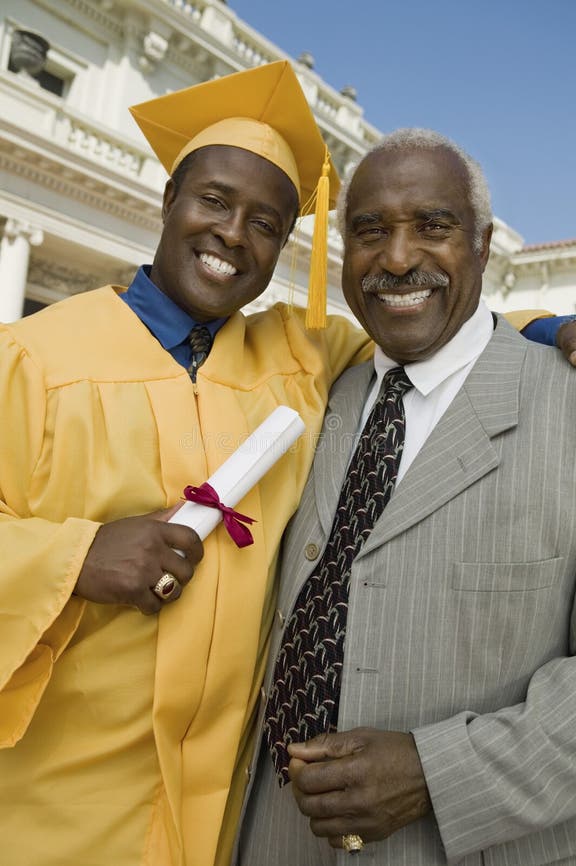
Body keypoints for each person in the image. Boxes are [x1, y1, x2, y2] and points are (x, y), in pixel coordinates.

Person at [0, 62, 571, 866]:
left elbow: (435, 318)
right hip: (60, 801)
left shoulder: (302, 357)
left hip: (224, 817)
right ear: (169, 201)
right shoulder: (28, 359)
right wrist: (73, 556)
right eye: (213, 202)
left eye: (267, 223)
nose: (234, 235)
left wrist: (551, 327)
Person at [235, 129, 576, 866]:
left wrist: (436, 773)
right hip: (273, 838)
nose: (396, 258)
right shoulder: (317, 396)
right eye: (370, 231)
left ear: (483, 248)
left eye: (433, 226)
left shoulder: (566, 405)